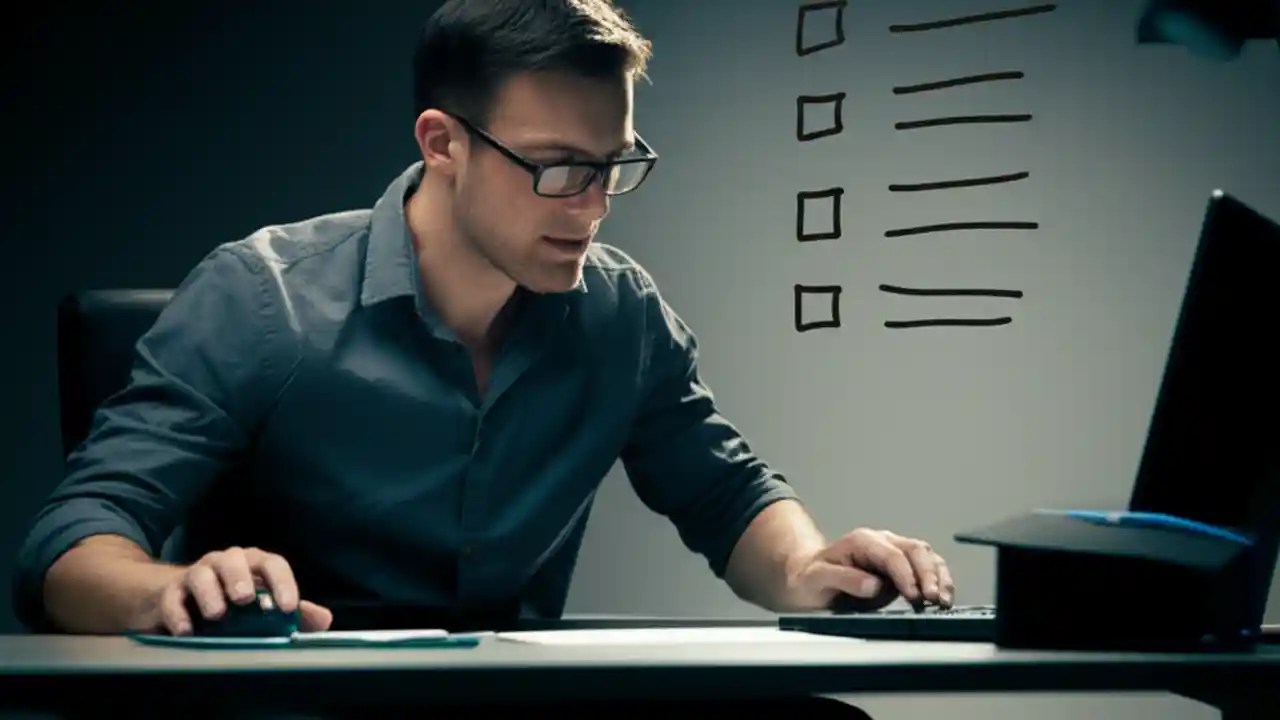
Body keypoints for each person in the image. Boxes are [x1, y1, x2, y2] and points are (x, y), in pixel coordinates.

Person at [14, 0, 952, 716]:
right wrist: (168, 592)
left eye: (612, 165)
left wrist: (811, 566)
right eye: (557, 168)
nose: (592, 206)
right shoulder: (263, 299)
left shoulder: (619, 312)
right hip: (291, 710)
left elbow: (728, 494)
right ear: (443, 143)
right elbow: (71, 546)